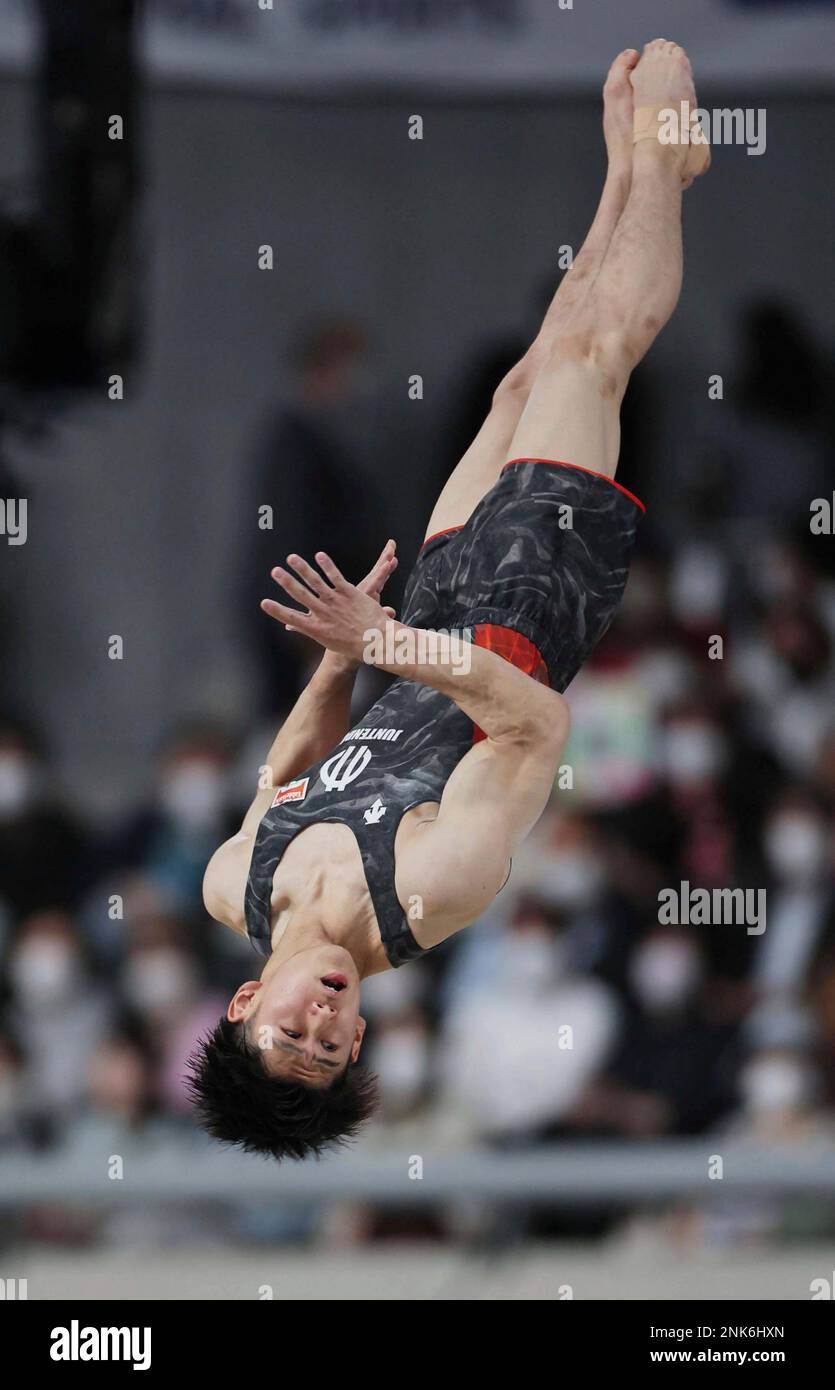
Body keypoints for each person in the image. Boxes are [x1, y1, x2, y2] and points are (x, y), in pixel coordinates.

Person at [192, 40, 710, 1160]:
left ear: (243, 1008)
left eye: (296, 1035)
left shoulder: (234, 883)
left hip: (419, 620)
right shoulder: (432, 893)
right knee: (594, 358)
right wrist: (384, 640)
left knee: (525, 376)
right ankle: (667, 163)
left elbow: (285, 775)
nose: (326, 1022)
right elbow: (537, 721)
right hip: (525, 617)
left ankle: (624, 172)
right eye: (337, 1049)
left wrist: (342, 659)